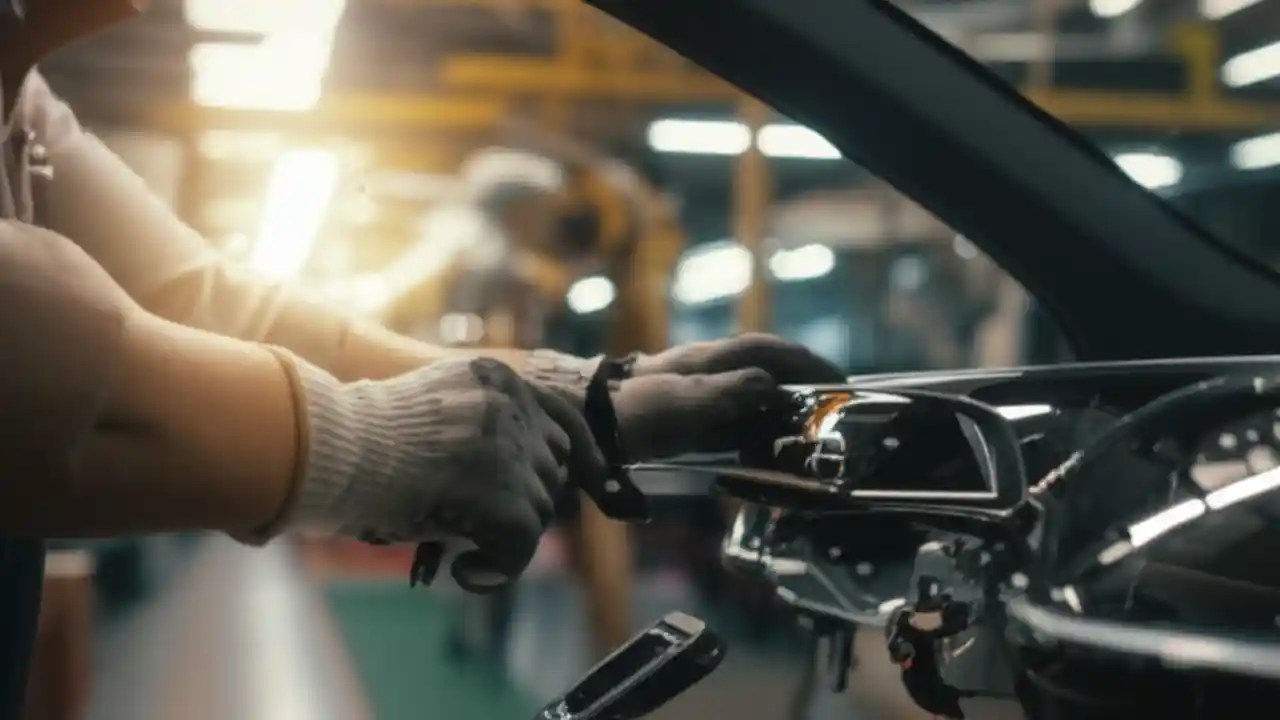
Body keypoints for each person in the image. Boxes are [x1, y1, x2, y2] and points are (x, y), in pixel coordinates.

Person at [0, 3, 847, 717]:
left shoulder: (18, 93)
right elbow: (51, 378)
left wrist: (590, 396)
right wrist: (379, 446)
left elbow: (205, 304)